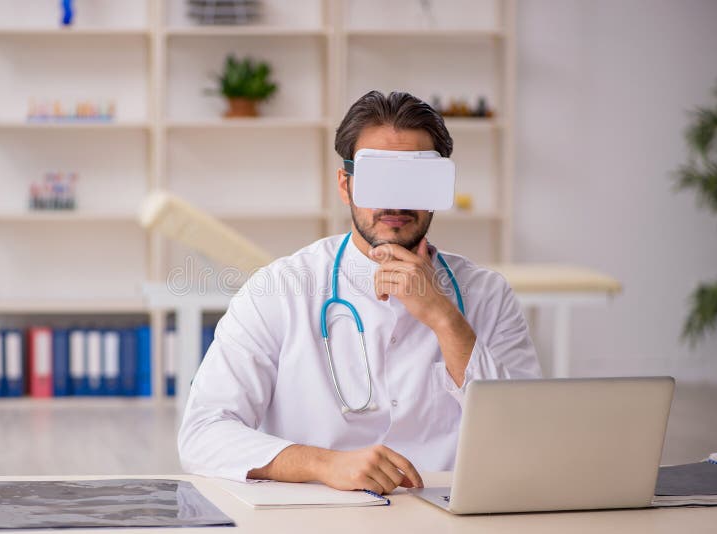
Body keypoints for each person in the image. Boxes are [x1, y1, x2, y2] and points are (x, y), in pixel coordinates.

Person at [178, 90, 541, 495]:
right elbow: (202, 434)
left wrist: (444, 319)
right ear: (345, 185)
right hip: (318, 516)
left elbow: (523, 436)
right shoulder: (278, 290)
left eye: (415, 179)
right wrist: (323, 464)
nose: (395, 199)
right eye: (378, 177)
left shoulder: (487, 295)